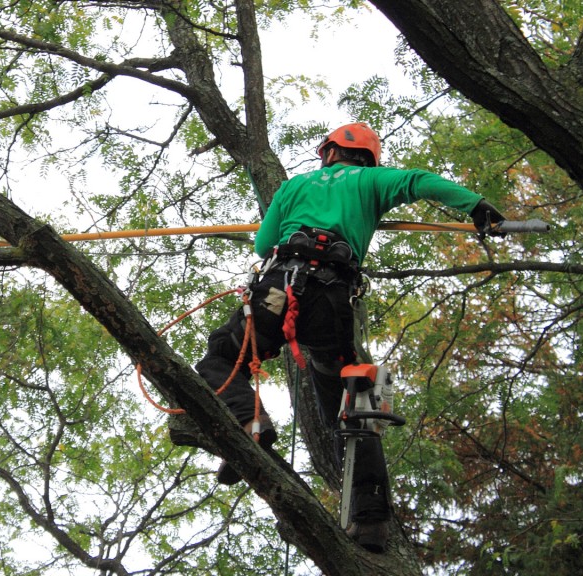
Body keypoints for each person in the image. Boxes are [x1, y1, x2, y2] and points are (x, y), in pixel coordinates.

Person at [168, 122, 506, 553]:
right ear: (368, 156)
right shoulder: (372, 180)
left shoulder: (295, 186)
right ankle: (370, 522)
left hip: (279, 289)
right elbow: (420, 181)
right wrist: (476, 206)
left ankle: (249, 420)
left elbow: (263, 244)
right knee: (350, 407)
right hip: (332, 300)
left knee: (222, 357)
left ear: (329, 153)